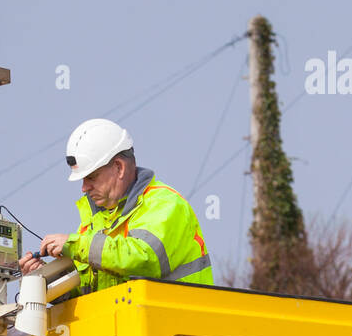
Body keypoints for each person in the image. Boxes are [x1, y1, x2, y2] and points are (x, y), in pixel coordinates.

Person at [18, 118, 213, 294]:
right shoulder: (94, 225)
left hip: (172, 331)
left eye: (91, 177)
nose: (84, 188)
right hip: (125, 332)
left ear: (119, 167)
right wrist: (46, 279)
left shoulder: (166, 204)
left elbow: (143, 258)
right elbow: (85, 295)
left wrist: (74, 244)